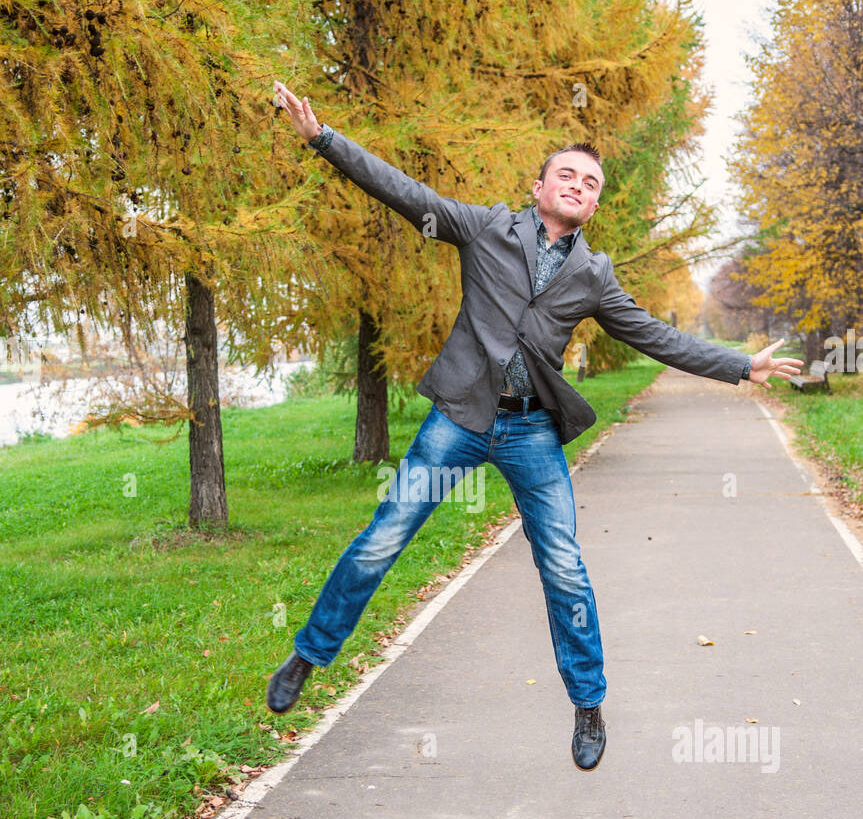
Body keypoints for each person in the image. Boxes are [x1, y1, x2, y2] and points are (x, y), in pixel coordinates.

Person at [266, 82, 803, 769]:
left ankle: (587, 703)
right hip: (458, 418)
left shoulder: (594, 275)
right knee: (383, 539)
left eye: (591, 183)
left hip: (528, 433)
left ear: (594, 204)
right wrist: (323, 139)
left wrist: (738, 365)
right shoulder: (486, 227)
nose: (578, 186)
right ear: (539, 185)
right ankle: (309, 655)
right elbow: (405, 193)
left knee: (564, 568)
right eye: (567, 174)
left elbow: (655, 337)